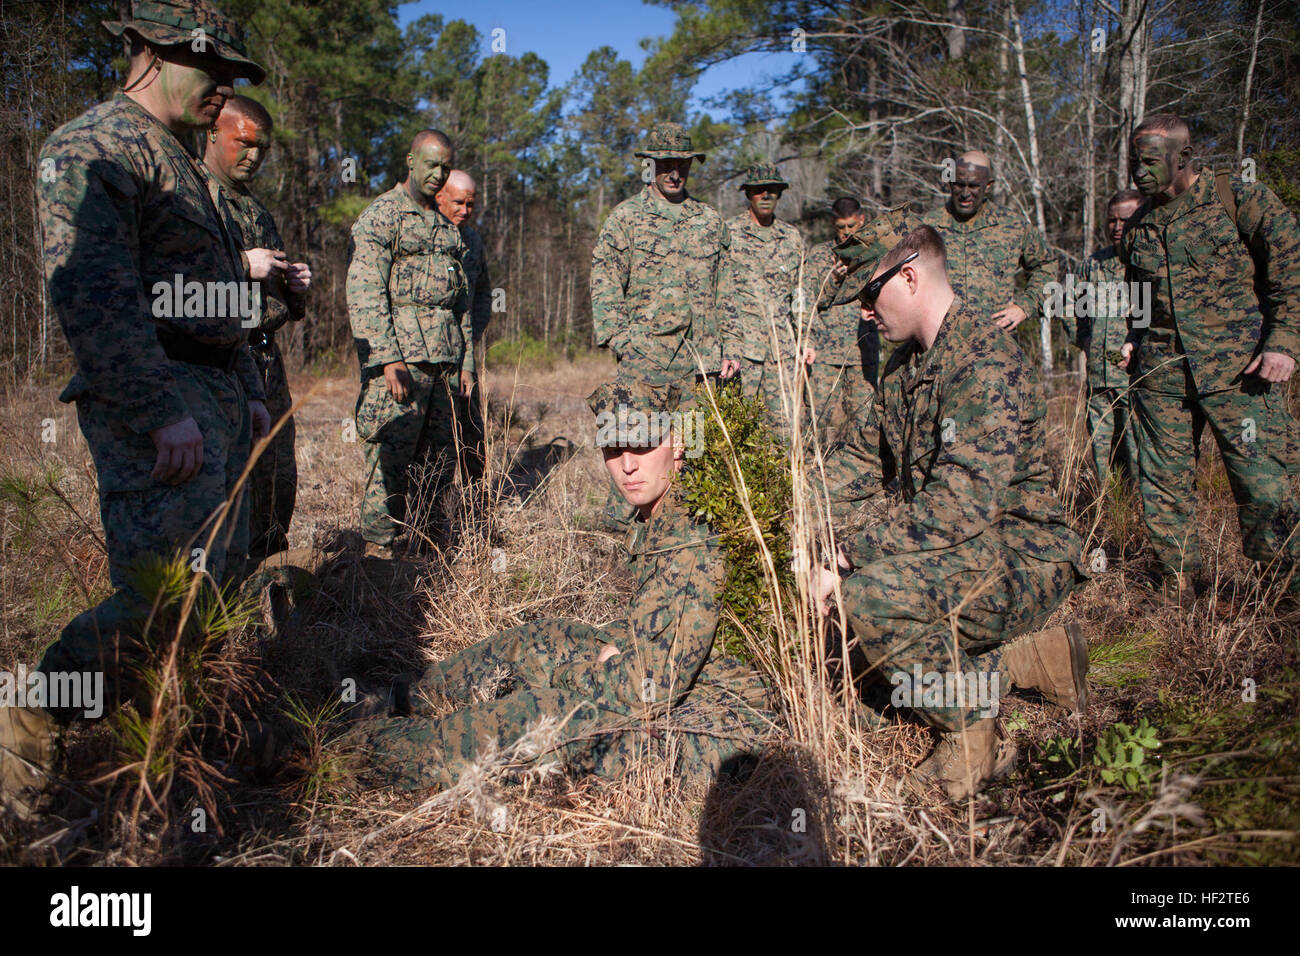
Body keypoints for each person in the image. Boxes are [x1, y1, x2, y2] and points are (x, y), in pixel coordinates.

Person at [1, 0, 269, 820]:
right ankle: (29, 716)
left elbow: (219, 296)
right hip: (163, 400)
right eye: (210, 67)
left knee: (214, 589)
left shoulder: (184, 163)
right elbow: (94, 293)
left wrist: (251, 390)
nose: (224, 88)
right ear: (149, 51)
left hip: (217, 396)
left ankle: (171, 752)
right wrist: (157, 408)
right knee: (161, 596)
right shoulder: (95, 146)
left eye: (231, 74)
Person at [350, 382, 774, 793]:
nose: (627, 466)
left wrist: (568, 676)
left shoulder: (689, 536)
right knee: (542, 639)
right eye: (613, 449)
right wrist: (607, 654)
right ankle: (405, 699)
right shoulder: (664, 507)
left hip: (714, 726)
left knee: (540, 716)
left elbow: (645, 694)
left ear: (677, 444)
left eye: (642, 446)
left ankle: (361, 755)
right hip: (683, 682)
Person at [818, 222, 1089, 801]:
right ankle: (1031, 662)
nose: (865, 311)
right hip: (966, 552)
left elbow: (957, 507)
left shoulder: (984, 361)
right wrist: (800, 527)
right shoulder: (905, 366)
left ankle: (973, 740)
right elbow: (861, 461)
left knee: (869, 599)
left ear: (909, 277)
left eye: (870, 294)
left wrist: (844, 558)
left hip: (1023, 554)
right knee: (864, 686)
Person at [1118, 113, 1300, 604]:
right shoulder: (1137, 225)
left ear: (1184, 157)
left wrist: (1284, 341)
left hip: (1240, 374)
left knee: (1263, 484)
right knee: (1162, 485)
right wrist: (1134, 336)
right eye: (1135, 162)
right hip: (1162, 378)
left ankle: (1283, 593)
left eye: (1151, 161)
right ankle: (1179, 586)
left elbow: (1290, 270)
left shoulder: (1239, 198)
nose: (1139, 172)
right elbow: (1139, 297)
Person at [589, 122, 741, 530]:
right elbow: (605, 278)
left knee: (691, 447)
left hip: (699, 362)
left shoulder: (709, 220)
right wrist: (621, 339)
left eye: (683, 164)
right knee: (635, 444)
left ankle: (685, 529)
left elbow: (726, 286)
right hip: (645, 361)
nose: (675, 173)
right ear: (651, 165)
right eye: (666, 164)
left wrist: (731, 344)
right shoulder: (626, 218)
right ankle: (620, 531)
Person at [346, 130, 471, 556]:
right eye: (431, 164)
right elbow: (364, 292)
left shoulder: (447, 228)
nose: (438, 174)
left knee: (439, 465)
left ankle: (427, 551)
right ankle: (378, 554)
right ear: (411, 161)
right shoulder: (383, 215)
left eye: (445, 167)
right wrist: (386, 359)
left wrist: (466, 364)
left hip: (445, 368)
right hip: (402, 367)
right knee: (391, 463)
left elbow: (462, 306)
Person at [203, 94, 312, 561]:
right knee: (232, 478)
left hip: (267, 359)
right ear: (212, 132)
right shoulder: (195, 198)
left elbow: (278, 298)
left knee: (278, 473)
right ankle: (228, 579)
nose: (253, 156)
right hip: (223, 358)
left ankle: (270, 571)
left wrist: (296, 288)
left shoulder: (255, 210)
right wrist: (242, 264)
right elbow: (174, 283)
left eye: (262, 148)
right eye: (244, 143)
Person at [919, 150, 1055, 335]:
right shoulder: (927, 227)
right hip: (940, 340)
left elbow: (1046, 267)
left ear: (988, 186)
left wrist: (1025, 306)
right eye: (959, 184)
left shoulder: (1012, 225)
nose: (965, 193)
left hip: (995, 343)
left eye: (974, 186)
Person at [1060, 189, 1142, 488]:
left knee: (1137, 450)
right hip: (1099, 375)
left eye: (1125, 219)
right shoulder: (1092, 265)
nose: (1117, 226)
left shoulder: (1147, 262)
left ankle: (1139, 508)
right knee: (1101, 449)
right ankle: (1108, 505)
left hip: (1135, 376)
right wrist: (1083, 339)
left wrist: (1139, 347)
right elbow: (1068, 304)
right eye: (1112, 220)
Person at [725, 162, 812, 430]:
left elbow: (800, 292)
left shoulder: (791, 237)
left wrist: (805, 339)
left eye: (772, 190)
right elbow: (719, 293)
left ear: (780, 194)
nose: (765, 195)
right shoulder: (728, 233)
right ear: (748, 194)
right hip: (742, 351)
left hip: (782, 351)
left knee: (784, 427)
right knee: (740, 426)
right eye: (759, 190)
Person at [803, 197, 880, 432]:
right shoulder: (819, 255)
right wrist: (833, 281)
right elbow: (810, 300)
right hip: (825, 353)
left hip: (862, 350)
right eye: (840, 227)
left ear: (862, 220)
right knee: (818, 421)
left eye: (851, 225)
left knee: (865, 422)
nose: (846, 232)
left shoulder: (874, 254)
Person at [436, 169, 491, 481]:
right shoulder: (426, 235)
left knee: (472, 432)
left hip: (465, 354)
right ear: (440, 197)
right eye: (459, 203)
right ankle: (436, 501)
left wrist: (472, 333)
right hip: (430, 354)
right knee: (438, 437)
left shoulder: (473, 240)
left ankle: (476, 502)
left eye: (471, 204)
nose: (465, 211)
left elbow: (483, 293)